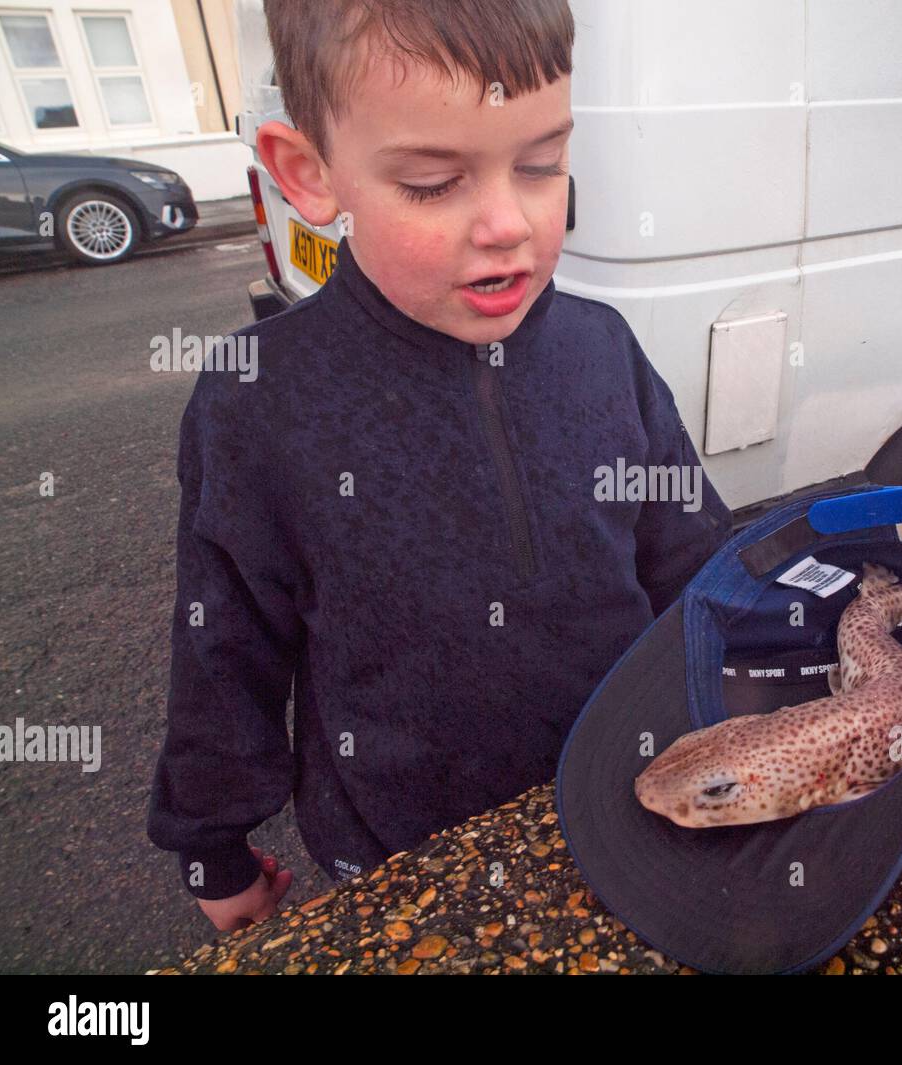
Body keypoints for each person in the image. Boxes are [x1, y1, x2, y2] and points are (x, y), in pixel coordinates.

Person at [146, 0, 731, 932]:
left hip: (630, 799)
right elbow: (225, 644)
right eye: (431, 183)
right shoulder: (258, 399)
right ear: (308, 174)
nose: (507, 223)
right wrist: (211, 847)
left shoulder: (603, 348)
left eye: (541, 163)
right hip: (397, 853)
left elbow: (691, 561)